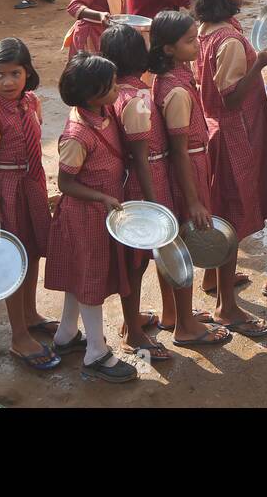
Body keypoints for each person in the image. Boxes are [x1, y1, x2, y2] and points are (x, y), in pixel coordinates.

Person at [151, 10, 267, 340]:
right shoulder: (174, 90)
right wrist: (194, 200)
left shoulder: (178, 78)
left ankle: (180, 310)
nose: (198, 46)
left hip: (196, 162)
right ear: (169, 49)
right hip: (190, 168)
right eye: (190, 42)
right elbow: (178, 150)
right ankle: (212, 315)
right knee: (209, 227)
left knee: (186, 237)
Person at [101, 24, 198, 358]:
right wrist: (157, 204)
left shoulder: (120, 92)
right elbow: (141, 156)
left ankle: (153, 318)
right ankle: (134, 332)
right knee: (139, 259)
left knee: (142, 256)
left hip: (138, 180)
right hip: (147, 181)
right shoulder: (137, 97)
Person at [46, 52, 139, 382]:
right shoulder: (77, 135)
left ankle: (66, 334)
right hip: (87, 215)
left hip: (101, 210)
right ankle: (96, 352)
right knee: (91, 280)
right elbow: (66, 182)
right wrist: (101, 196)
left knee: (81, 275)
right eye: (110, 86)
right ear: (90, 95)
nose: (117, 90)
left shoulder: (104, 111)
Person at [192, 0, 267, 299]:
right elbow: (230, 98)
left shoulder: (206, 30)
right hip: (235, 133)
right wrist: (260, 62)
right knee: (232, 212)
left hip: (220, 129)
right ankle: (226, 305)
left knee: (224, 205)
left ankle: (213, 279)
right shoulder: (228, 40)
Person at [0, 38, 59, 370]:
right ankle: (19, 336)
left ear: (28, 73)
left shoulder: (33, 102)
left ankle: (31, 313)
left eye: (15, 73)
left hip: (32, 186)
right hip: (7, 193)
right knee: (12, 261)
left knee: (33, 250)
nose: (8, 82)